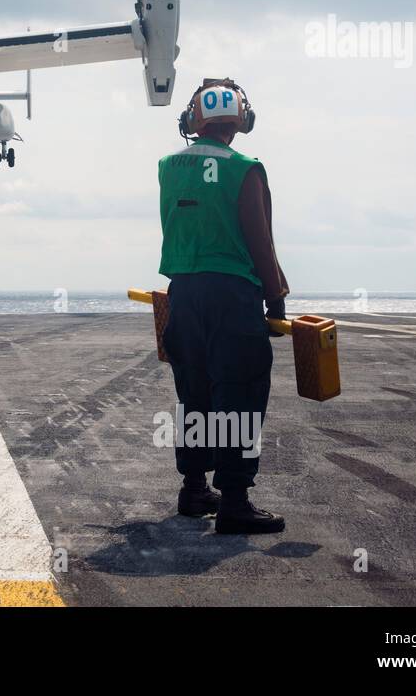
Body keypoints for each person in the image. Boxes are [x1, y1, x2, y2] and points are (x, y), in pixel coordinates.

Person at [158, 78, 289, 534]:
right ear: (241, 120)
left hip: (185, 294)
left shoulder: (168, 166)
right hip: (233, 298)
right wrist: (276, 300)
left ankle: (195, 488)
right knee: (238, 396)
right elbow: (260, 240)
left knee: (194, 393)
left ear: (192, 120)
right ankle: (234, 501)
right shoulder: (246, 169)